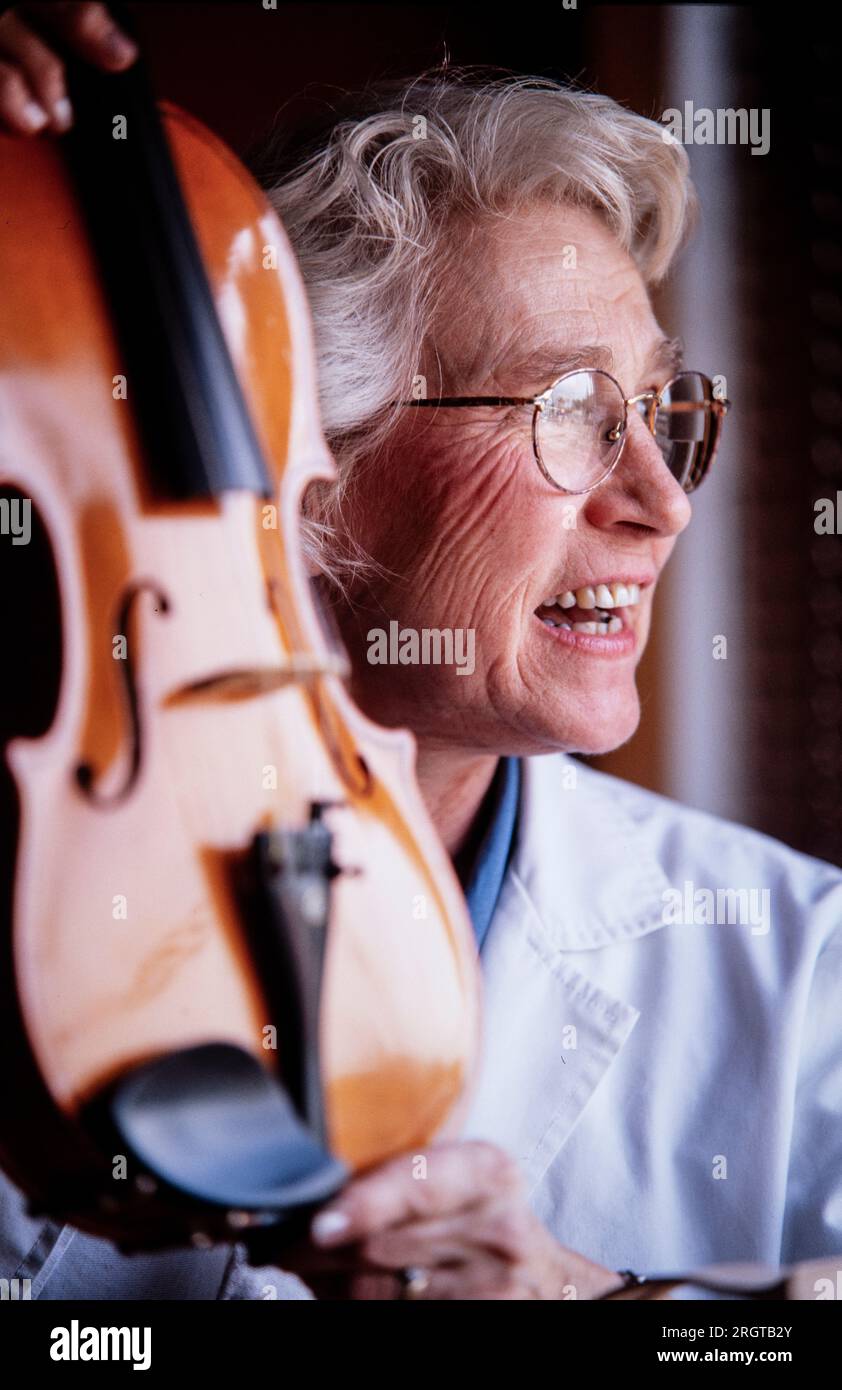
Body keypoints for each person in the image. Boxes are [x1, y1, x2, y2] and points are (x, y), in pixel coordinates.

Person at [1, 3, 840, 1303]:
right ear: (302, 466)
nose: (659, 502)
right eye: (565, 411)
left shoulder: (799, 964)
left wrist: (587, 1301)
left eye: (659, 416)